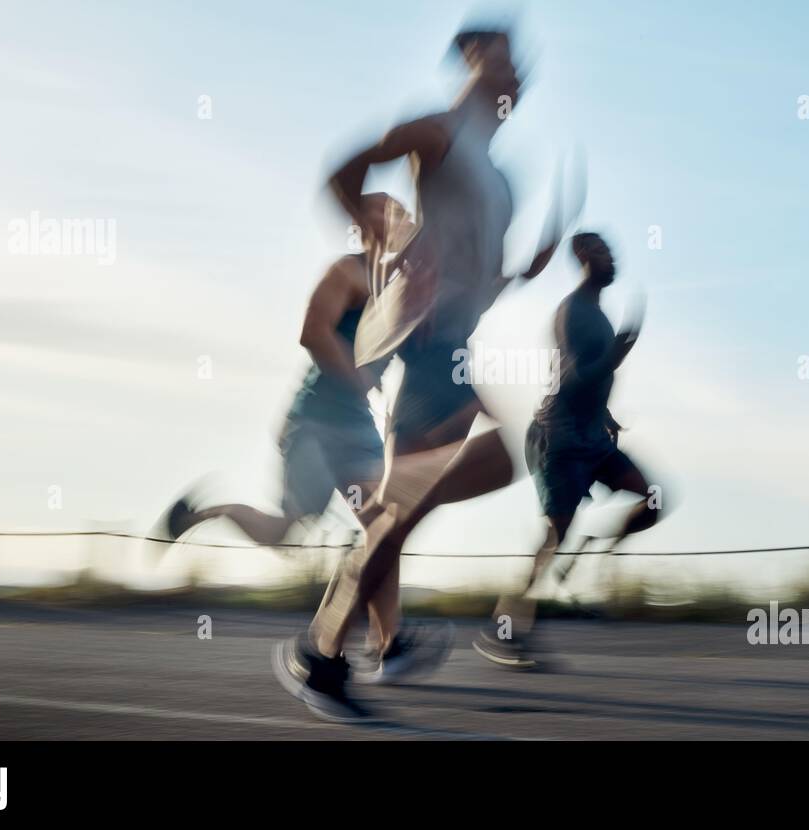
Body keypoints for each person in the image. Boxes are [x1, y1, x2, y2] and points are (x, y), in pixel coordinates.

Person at [278, 25, 565, 721]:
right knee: (471, 474)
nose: (514, 70)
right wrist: (380, 236)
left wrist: (520, 272)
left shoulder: (502, 183)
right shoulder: (437, 132)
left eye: (519, 62)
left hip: (459, 344)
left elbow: (476, 282)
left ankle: (327, 648)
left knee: (411, 508)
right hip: (431, 349)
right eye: (499, 55)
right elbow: (343, 174)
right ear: (469, 62)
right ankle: (325, 652)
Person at [165, 193, 442, 676]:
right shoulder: (347, 273)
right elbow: (313, 333)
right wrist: (358, 380)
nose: (393, 217)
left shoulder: (402, 291)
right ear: (360, 226)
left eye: (398, 211)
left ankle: (389, 643)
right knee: (286, 532)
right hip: (313, 421)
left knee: (383, 525)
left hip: (357, 427)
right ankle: (207, 512)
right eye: (380, 211)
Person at [474, 232, 661, 669]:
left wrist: (606, 414)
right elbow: (575, 378)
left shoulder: (598, 314)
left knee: (651, 500)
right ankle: (505, 632)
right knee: (553, 538)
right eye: (602, 252)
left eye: (613, 253)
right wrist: (615, 355)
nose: (612, 259)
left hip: (592, 436)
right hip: (557, 438)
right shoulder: (572, 312)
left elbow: (592, 386)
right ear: (581, 255)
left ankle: (599, 550)